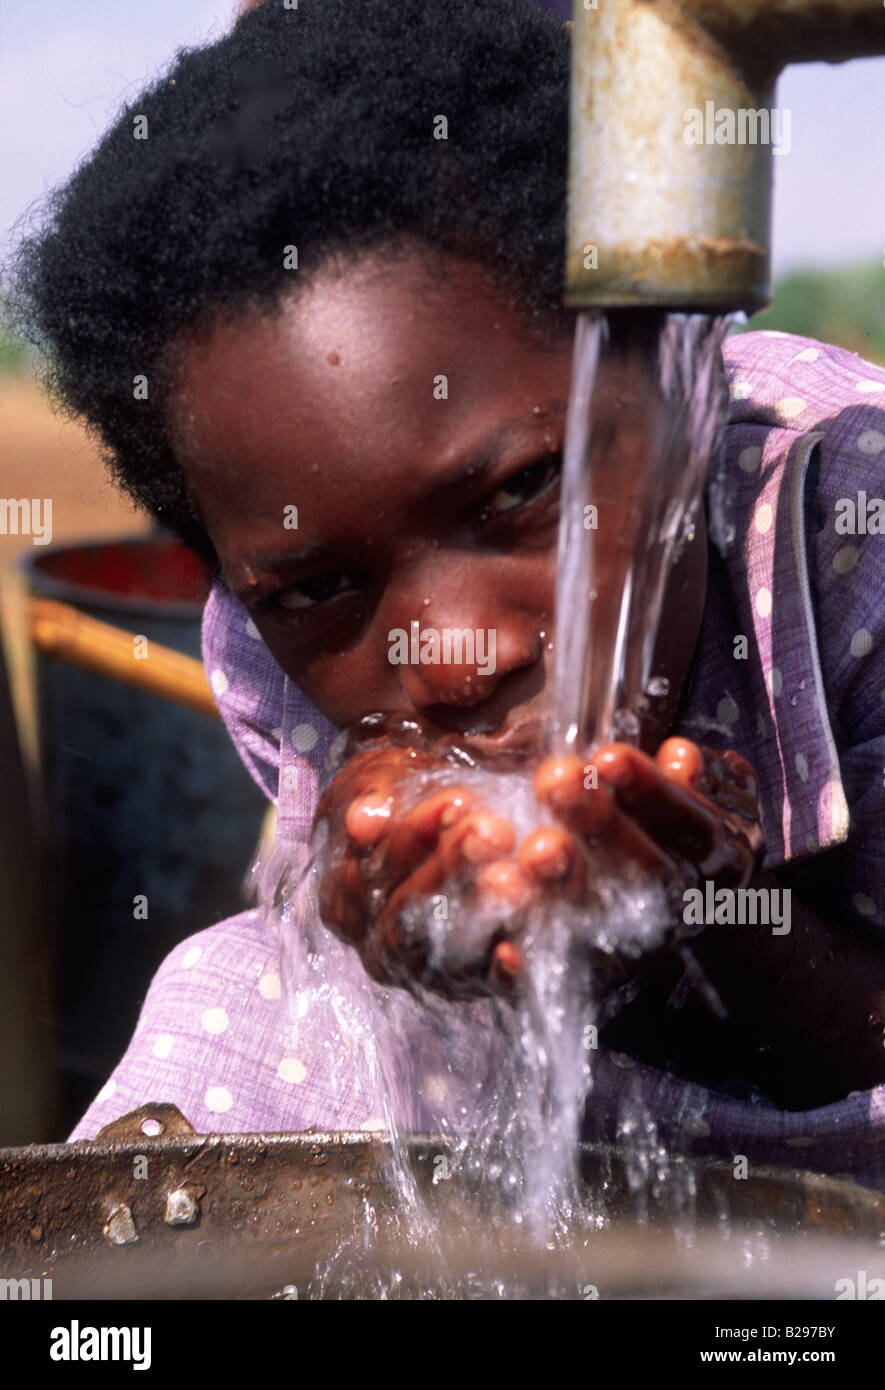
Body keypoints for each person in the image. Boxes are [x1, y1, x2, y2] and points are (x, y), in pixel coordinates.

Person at [8, 0, 885, 1186]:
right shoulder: (274, 646)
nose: (454, 654)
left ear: (674, 371)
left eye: (521, 492)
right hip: (591, 1128)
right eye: (321, 586)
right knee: (255, 988)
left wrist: (702, 923)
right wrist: (373, 896)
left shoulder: (844, 533)